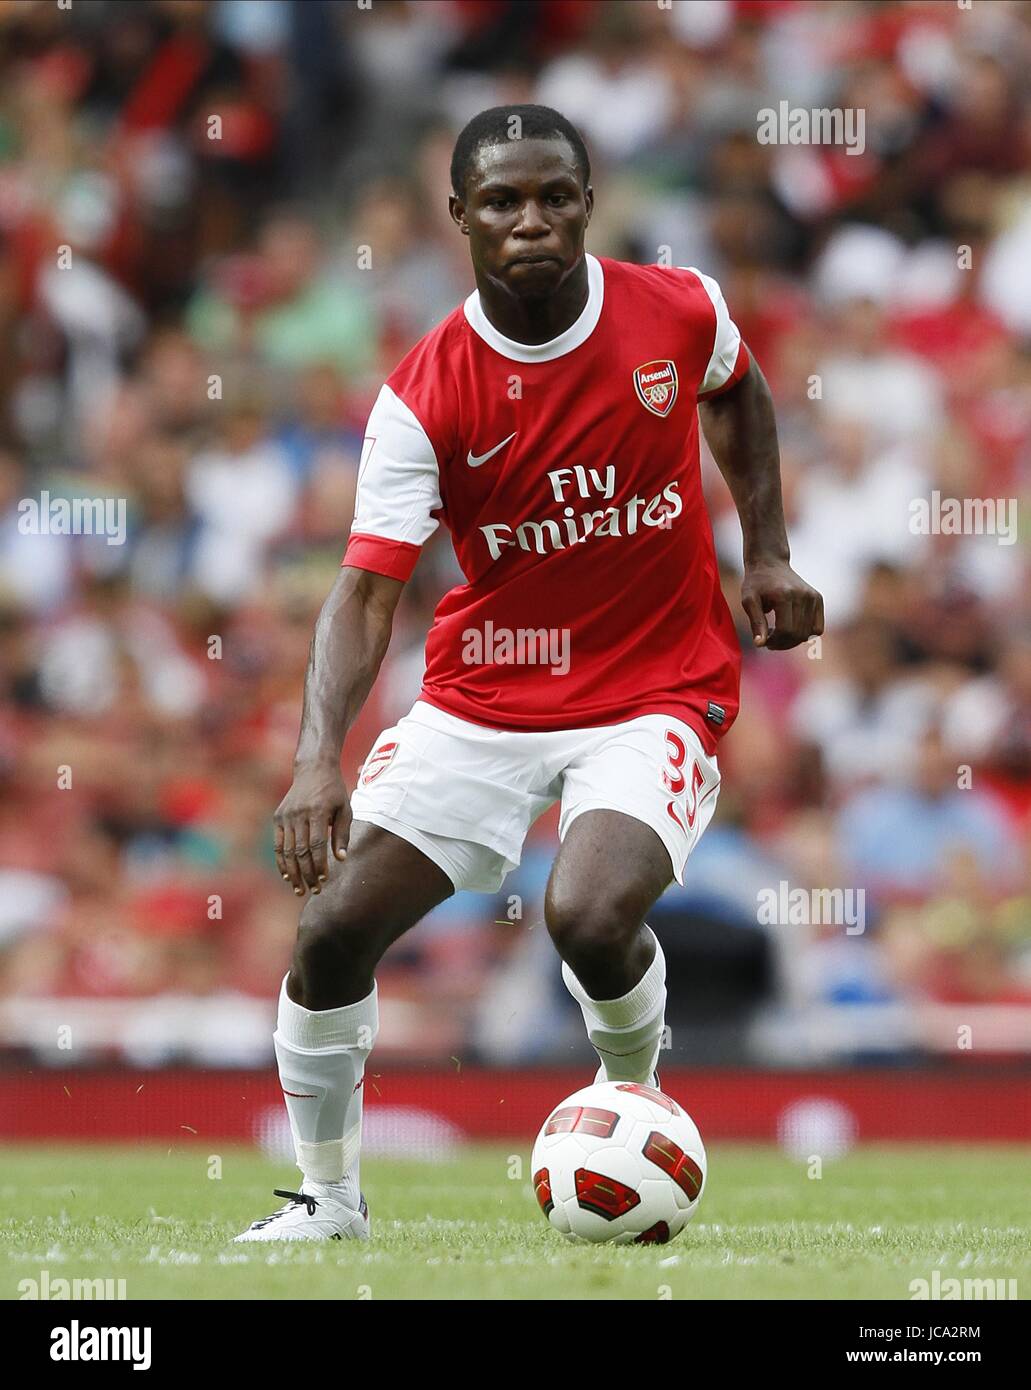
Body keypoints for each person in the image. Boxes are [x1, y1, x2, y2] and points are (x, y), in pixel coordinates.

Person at [235, 105, 823, 1241]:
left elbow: (737, 387)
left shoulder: (675, 309)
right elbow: (365, 591)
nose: (530, 220)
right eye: (501, 201)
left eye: (555, 195)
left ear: (588, 202)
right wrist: (318, 760)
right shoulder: (424, 391)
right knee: (328, 933)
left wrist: (768, 552)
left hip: (655, 685)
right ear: (458, 216)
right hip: (482, 697)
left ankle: (632, 1096)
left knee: (589, 916)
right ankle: (329, 1199)